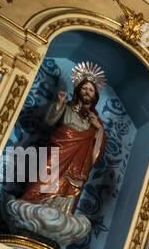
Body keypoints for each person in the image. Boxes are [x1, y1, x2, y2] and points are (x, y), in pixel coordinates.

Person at [20, 75, 106, 213]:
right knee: (45, 177)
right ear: (78, 90)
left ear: (95, 96)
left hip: (78, 163)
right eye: (84, 88)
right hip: (59, 149)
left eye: (91, 90)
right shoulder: (67, 108)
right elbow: (49, 121)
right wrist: (59, 104)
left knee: (68, 183)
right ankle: (33, 204)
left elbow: (96, 148)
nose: (87, 92)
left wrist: (99, 129)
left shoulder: (95, 121)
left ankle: (59, 213)